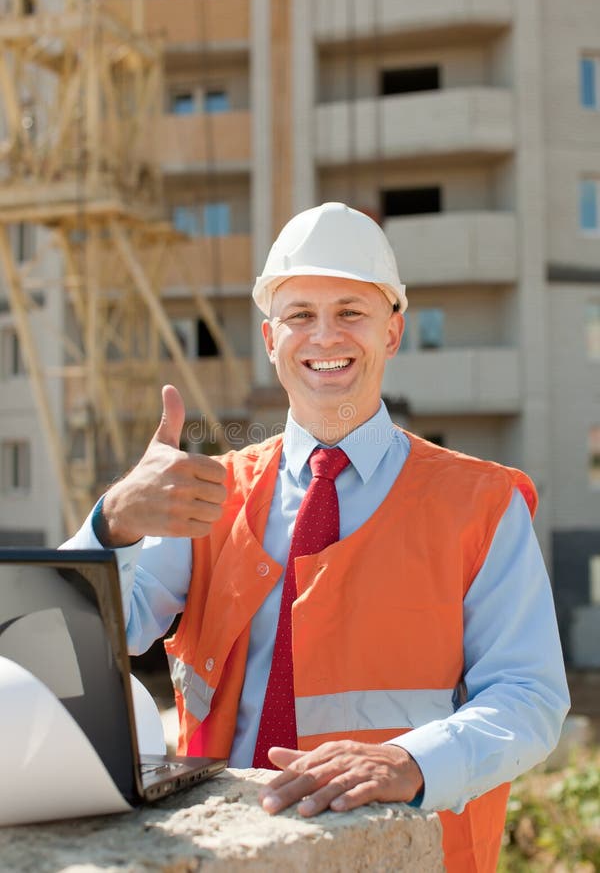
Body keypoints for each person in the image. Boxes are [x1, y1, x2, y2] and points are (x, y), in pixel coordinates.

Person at [63, 202, 569, 873]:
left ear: (393, 333)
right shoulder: (210, 497)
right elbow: (62, 648)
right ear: (272, 341)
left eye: (350, 312)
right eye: (300, 315)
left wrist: (411, 759)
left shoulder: (479, 504)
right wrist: (110, 522)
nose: (325, 337)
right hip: (229, 852)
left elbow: (530, 696)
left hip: (400, 856)